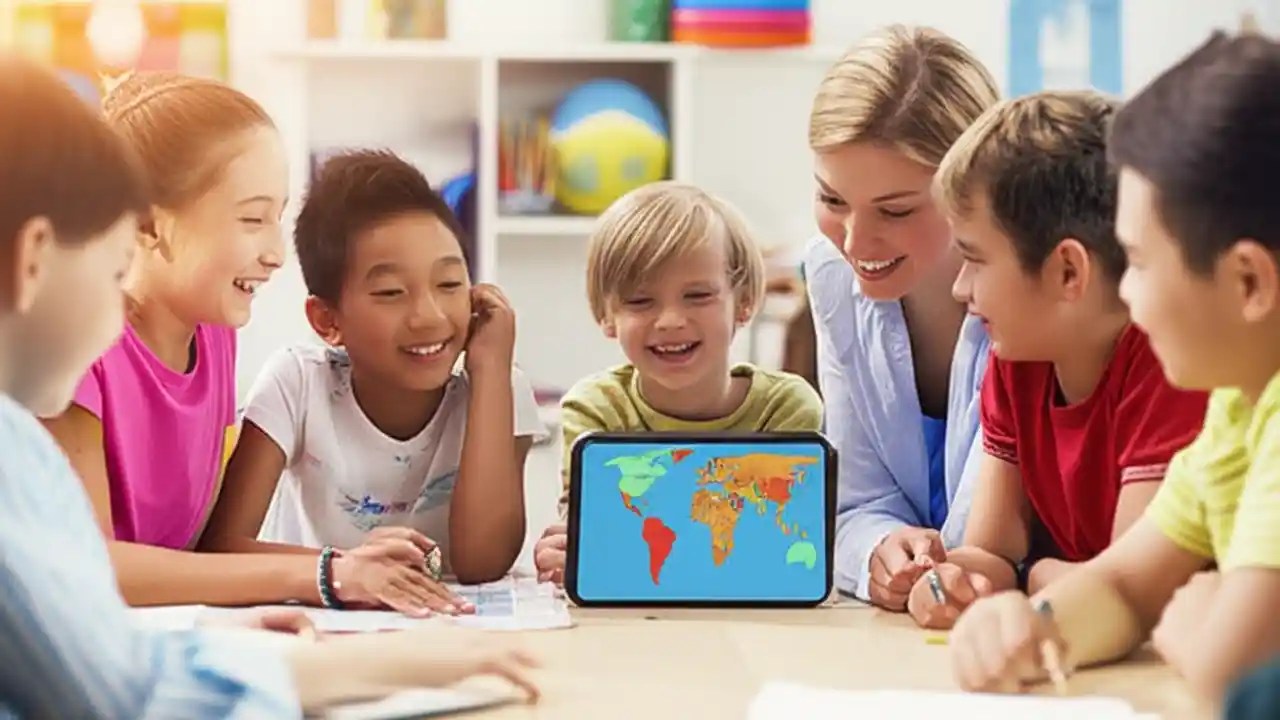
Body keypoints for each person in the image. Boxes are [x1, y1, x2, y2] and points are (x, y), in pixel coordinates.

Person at [0, 53, 539, 719]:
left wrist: (219, 634)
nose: (277, 254)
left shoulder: (209, 342)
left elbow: (117, 626)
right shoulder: (28, 442)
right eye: (114, 270)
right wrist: (347, 631)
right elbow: (109, 671)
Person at [949, 33, 1280, 704]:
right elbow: (1127, 586)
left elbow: (1233, 669)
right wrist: (1031, 626)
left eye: (1141, 263)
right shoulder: (1238, 406)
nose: (1125, 294)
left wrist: (1194, 623)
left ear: (1248, 282)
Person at [41, 71, 437, 612]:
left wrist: (350, 565)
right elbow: (95, 566)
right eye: (252, 219)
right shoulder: (81, 349)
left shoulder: (216, 337)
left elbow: (196, 556)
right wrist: (325, 575)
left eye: (277, 218)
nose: (276, 252)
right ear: (149, 224)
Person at [902, 91, 1207, 630]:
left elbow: (1128, 591)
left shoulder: (1168, 365)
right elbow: (993, 554)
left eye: (974, 258)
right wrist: (947, 581)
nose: (959, 287)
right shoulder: (1017, 354)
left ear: (1068, 272)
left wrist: (1036, 573)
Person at [201, 150, 545, 596]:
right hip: (329, 628)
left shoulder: (496, 384)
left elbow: (483, 562)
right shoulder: (298, 382)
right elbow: (222, 547)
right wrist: (348, 570)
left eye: (449, 284)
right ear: (327, 321)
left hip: (455, 630)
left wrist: (493, 369)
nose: (429, 315)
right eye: (391, 292)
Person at [531, 181, 822, 584]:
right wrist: (569, 551)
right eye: (639, 301)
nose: (670, 321)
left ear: (743, 303)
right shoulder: (596, 407)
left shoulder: (787, 408)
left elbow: (785, 554)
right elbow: (594, 542)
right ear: (607, 315)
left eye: (698, 295)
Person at [803, 25, 1000, 609]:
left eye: (895, 209)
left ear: (974, 188)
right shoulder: (832, 273)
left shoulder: (1028, 295)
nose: (855, 240)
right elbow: (854, 501)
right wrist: (878, 550)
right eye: (832, 200)